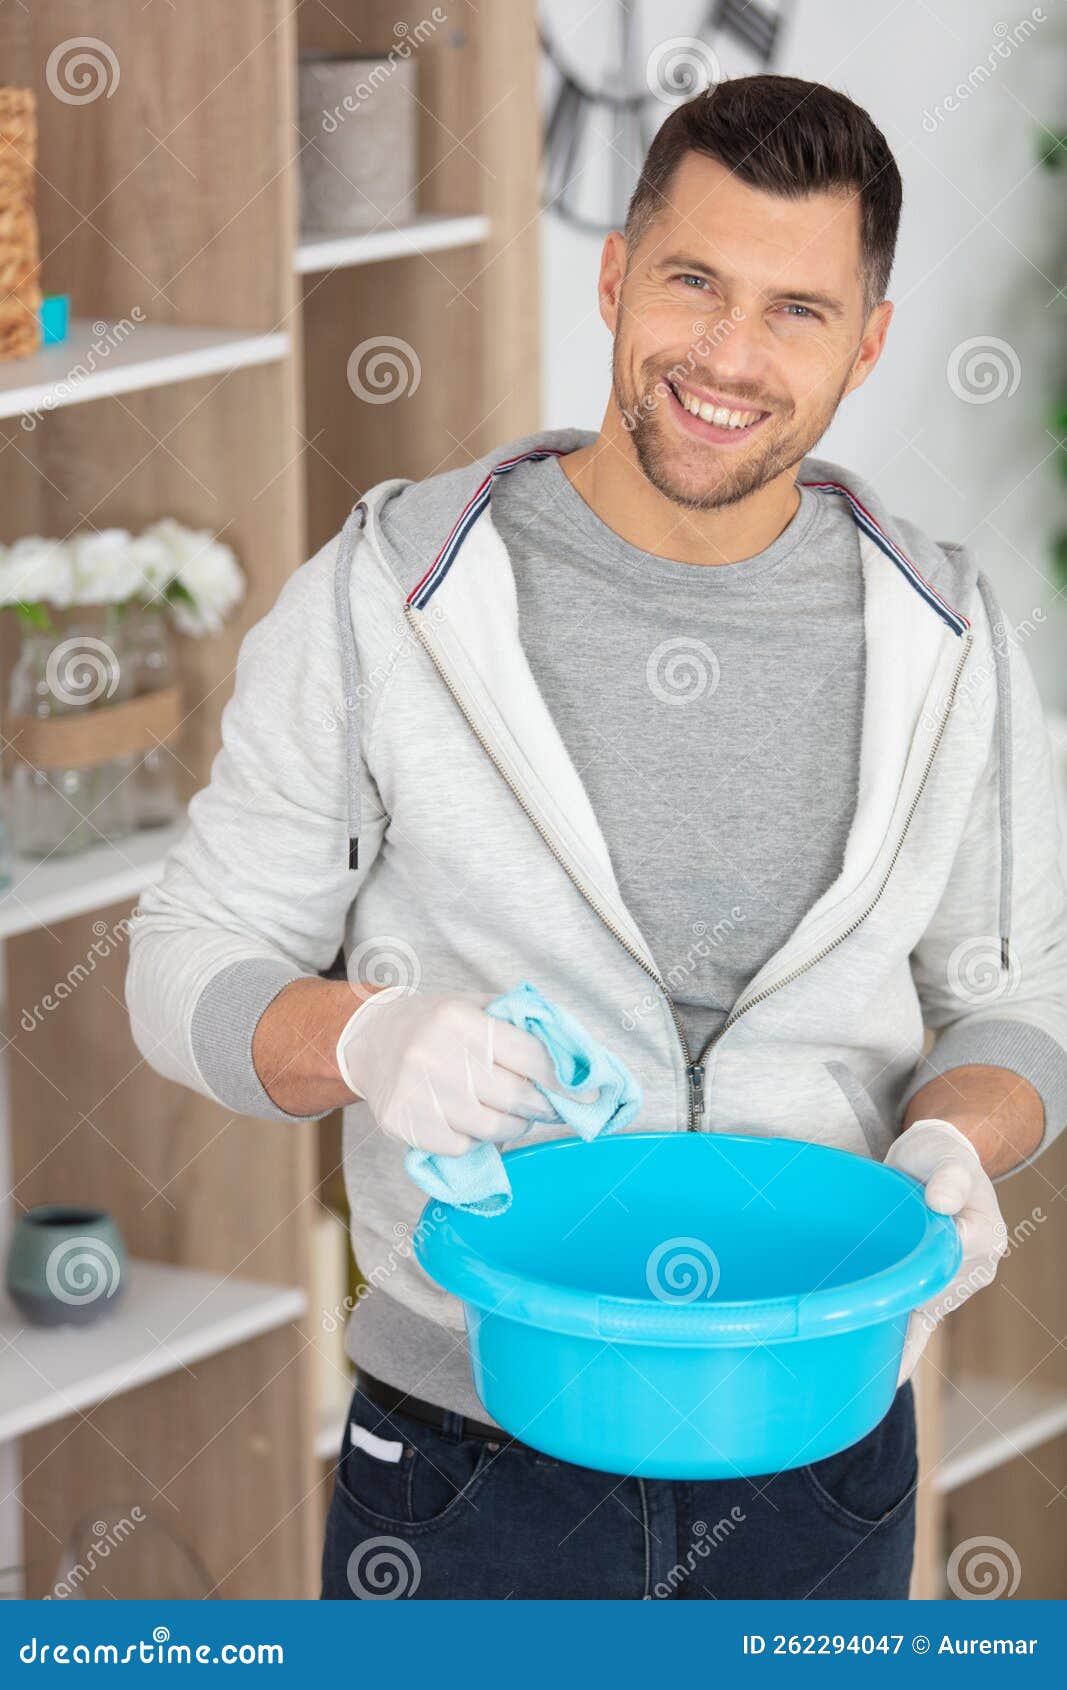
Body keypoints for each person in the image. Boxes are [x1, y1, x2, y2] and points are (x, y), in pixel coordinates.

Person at [126, 74, 1066, 1600]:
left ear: (870, 342)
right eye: (694, 282)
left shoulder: (948, 639)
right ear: (616, 275)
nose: (729, 356)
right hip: (466, 1455)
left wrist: (962, 1136)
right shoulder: (391, 595)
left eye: (797, 311)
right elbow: (181, 963)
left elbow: (1022, 1001)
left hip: (820, 1448)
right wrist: (364, 1037)